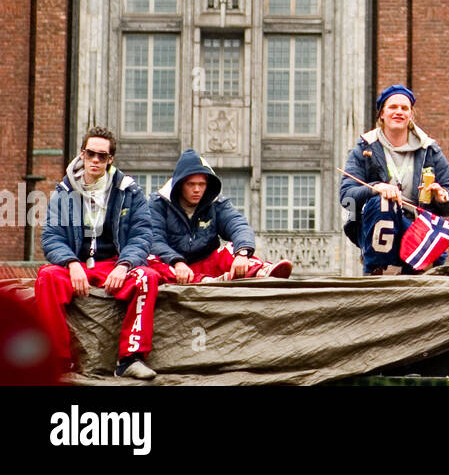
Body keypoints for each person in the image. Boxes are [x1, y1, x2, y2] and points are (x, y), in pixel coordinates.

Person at [34, 127, 158, 380]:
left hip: (113, 264)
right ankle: (58, 360)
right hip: (75, 266)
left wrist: (124, 264)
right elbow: (51, 237)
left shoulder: (129, 191)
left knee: (147, 277)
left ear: (110, 159)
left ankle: (130, 358)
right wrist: (71, 263)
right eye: (91, 154)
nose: (95, 160)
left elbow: (142, 234)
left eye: (102, 156)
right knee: (47, 278)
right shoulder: (63, 192)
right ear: (82, 154)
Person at [340, 84, 449, 274]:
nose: (399, 112)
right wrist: (375, 188)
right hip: (378, 227)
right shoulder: (363, 149)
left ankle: (417, 269)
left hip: (417, 229)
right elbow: (346, 197)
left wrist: (442, 197)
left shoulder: (431, 150)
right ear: (381, 114)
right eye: (393, 107)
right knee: (383, 202)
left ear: (411, 115)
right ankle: (375, 269)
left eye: (405, 108)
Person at [148, 148, 292, 283]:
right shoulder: (158, 203)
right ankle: (208, 280)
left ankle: (260, 270)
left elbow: (238, 225)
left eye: (201, 184)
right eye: (191, 184)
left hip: (207, 264)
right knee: (150, 262)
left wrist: (242, 254)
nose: (197, 190)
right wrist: (176, 261)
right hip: (174, 268)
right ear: (179, 185)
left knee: (232, 248)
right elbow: (154, 240)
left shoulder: (216, 203)